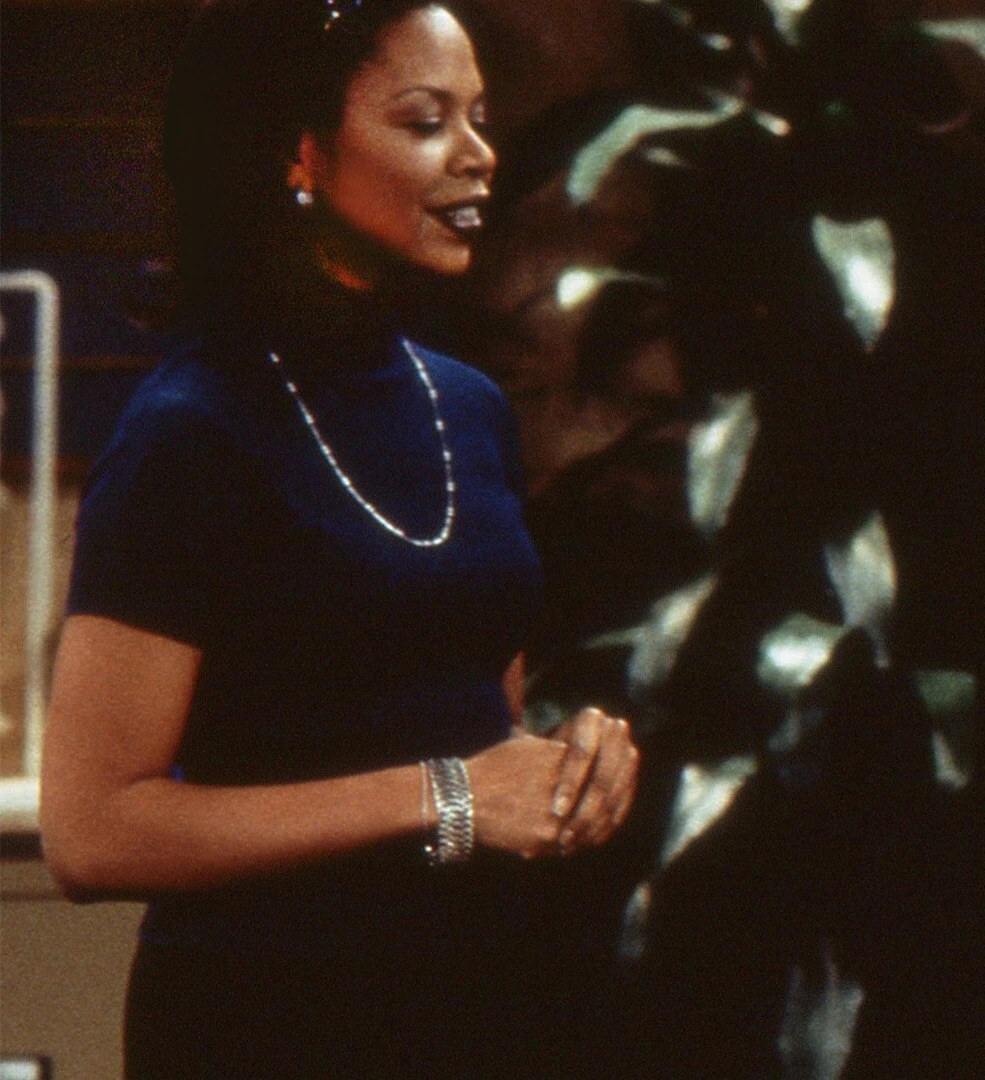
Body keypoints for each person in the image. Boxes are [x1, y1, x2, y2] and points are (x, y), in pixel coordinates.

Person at [37, 0, 640, 1075]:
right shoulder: (191, 433)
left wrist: (560, 777)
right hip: (272, 1023)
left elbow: (472, 725)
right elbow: (92, 833)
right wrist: (452, 795)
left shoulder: (468, 409)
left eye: (480, 117)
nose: (478, 154)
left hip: (478, 1007)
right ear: (300, 153)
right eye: (425, 121)